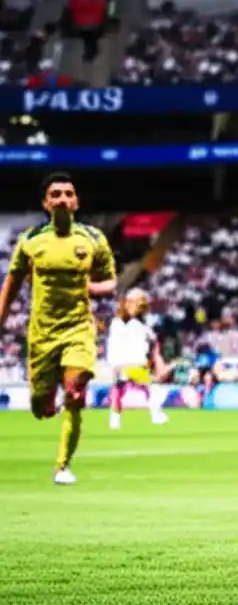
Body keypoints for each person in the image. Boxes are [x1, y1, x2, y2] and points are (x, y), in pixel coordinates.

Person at [0, 172, 117, 484]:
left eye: (68, 193)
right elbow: (12, 283)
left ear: (76, 201)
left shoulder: (93, 239)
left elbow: (110, 281)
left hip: (79, 328)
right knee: (40, 407)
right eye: (56, 194)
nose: (63, 198)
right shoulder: (31, 241)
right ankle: (45, 400)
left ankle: (62, 466)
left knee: (76, 391)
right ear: (46, 203)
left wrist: (92, 288)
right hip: (43, 333)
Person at [107, 288, 171, 429]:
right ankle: (156, 415)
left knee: (119, 390)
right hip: (131, 362)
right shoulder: (125, 322)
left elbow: (152, 340)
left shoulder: (134, 323)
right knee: (152, 388)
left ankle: (115, 419)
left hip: (123, 363)